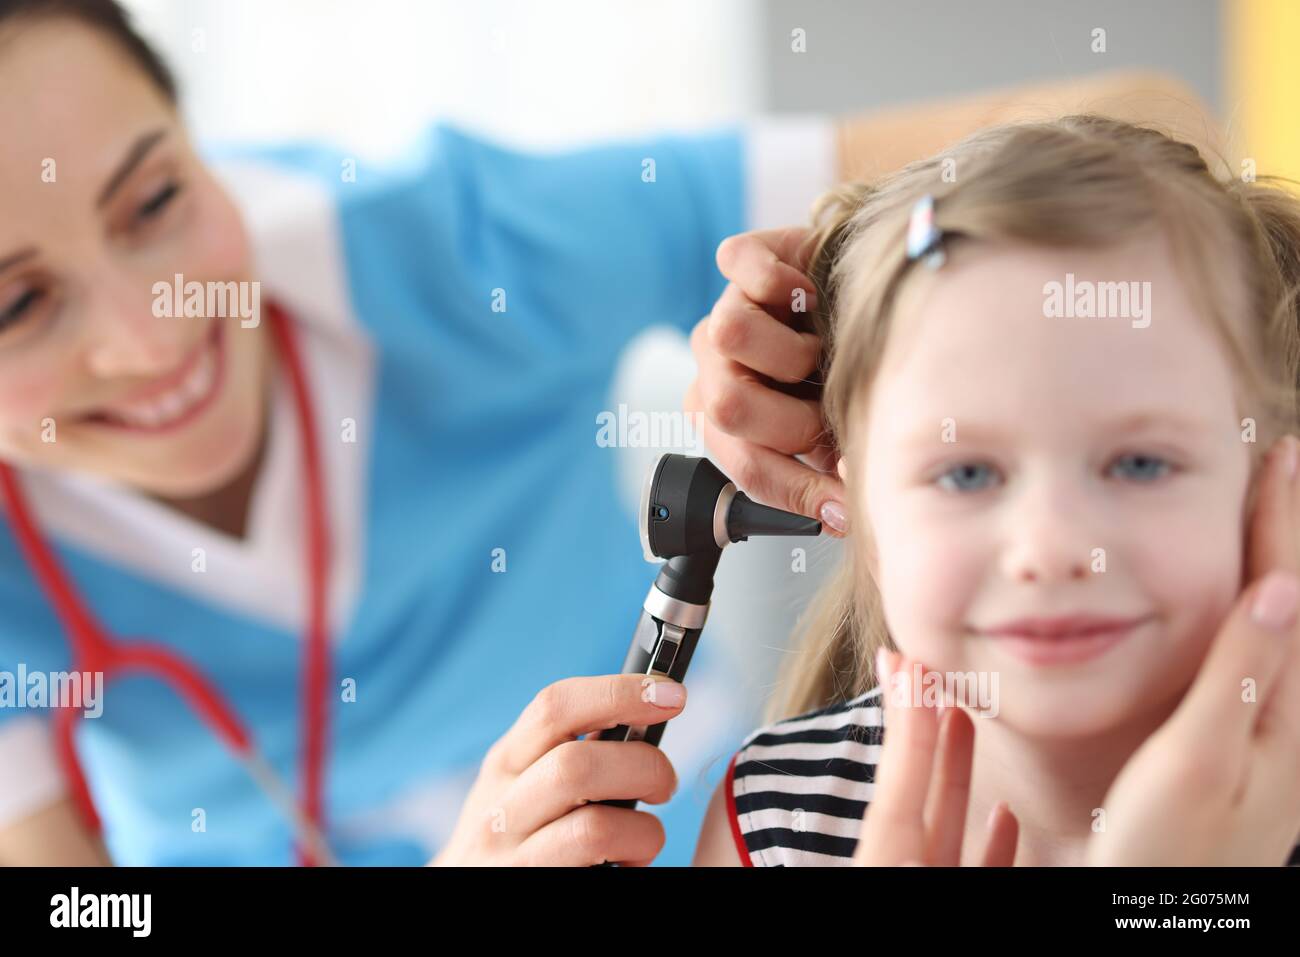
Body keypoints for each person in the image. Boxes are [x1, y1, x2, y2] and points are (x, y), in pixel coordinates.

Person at [0, 0, 1223, 866]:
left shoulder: (452, 247)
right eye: (17, 302)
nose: (148, 335)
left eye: (156, 200)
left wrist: (832, 291)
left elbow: (1153, 122)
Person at [690, 115, 1300, 866]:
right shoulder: (776, 821)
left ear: (1271, 482)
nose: (1052, 549)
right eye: (966, 472)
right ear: (866, 518)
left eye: (1141, 464)